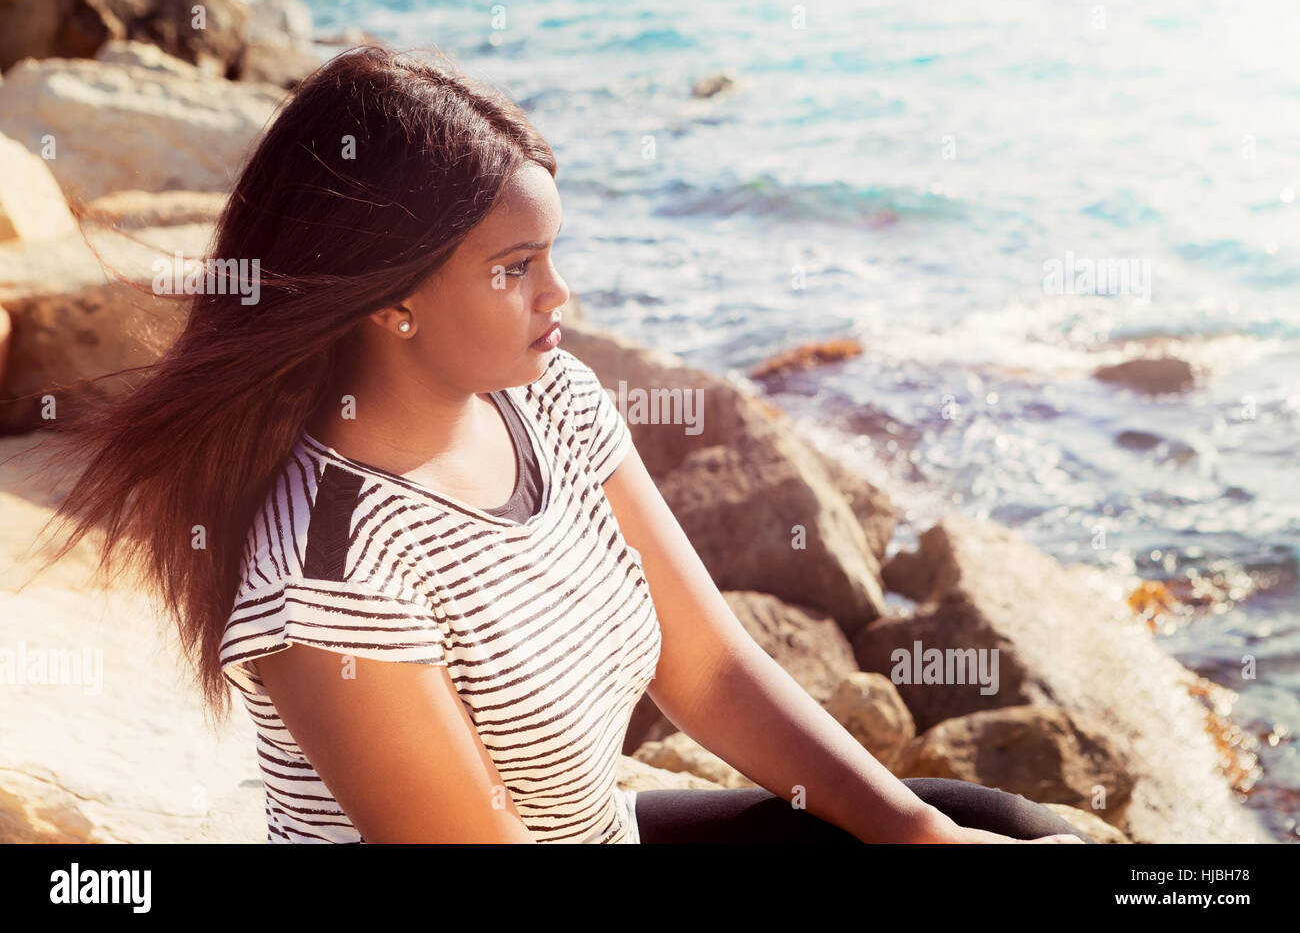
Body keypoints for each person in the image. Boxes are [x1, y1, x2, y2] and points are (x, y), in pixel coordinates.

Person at [29, 45, 1092, 844]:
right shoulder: (330, 573)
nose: (560, 295)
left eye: (554, 254)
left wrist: (913, 833)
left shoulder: (553, 401)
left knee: (990, 822)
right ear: (389, 298)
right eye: (517, 266)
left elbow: (709, 666)